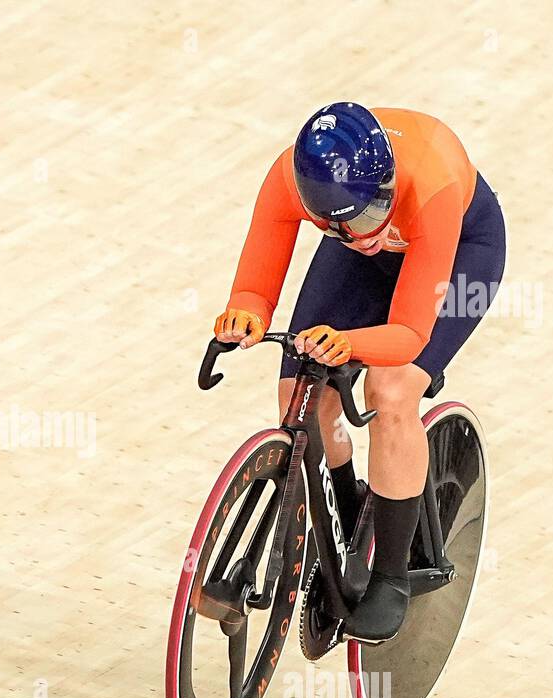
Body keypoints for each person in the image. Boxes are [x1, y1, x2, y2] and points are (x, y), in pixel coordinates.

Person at [214, 102, 505, 640]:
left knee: (391, 389)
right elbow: (256, 285)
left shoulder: (430, 186)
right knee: (298, 392)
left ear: (389, 180)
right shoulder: (291, 179)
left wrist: (346, 342)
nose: (366, 233)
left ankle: (390, 574)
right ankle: (351, 535)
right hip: (373, 259)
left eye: (373, 214)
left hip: (460, 250)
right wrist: (245, 315)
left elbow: (409, 336)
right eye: (342, 224)